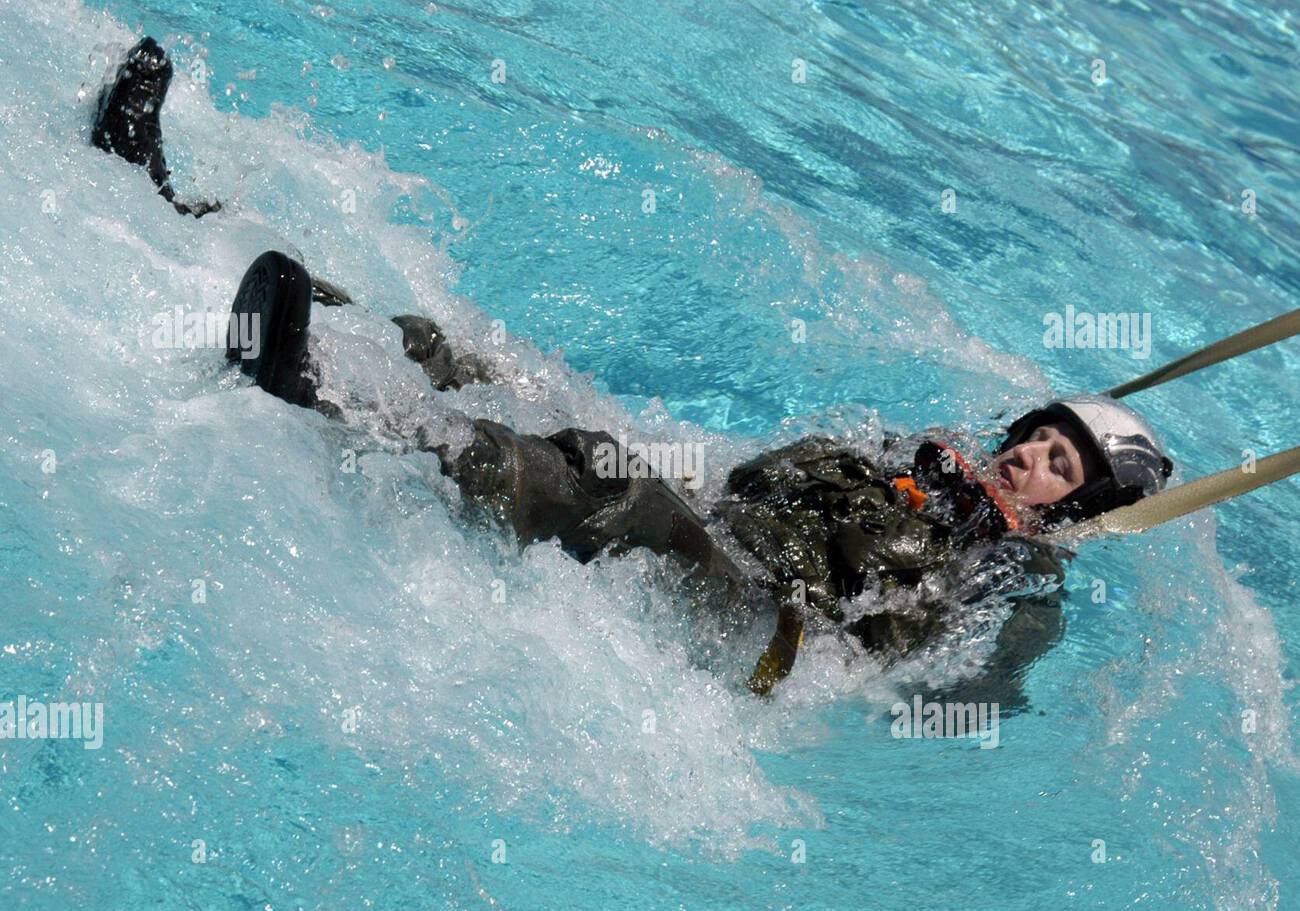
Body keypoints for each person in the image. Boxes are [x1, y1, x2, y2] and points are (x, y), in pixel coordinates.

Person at [92, 38, 1174, 699]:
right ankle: (173, 211)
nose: (1027, 457)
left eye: (1058, 466)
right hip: (725, 512)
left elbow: (960, 692)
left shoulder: (1013, 578)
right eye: (1036, 436)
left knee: (608, 478)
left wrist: (999, 549)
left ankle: (321, 393)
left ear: (1073, 512)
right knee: (470, 354)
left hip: (752, 619)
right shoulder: (921, 460)